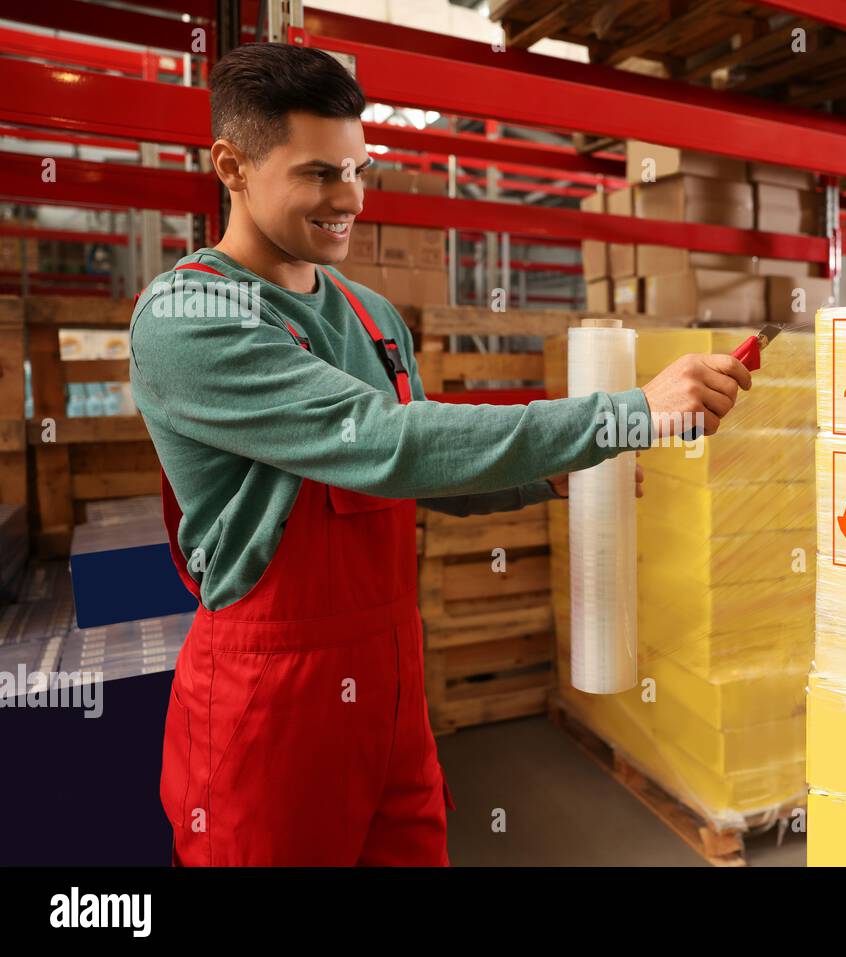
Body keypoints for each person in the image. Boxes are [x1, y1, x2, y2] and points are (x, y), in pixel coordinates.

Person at [129, 42, 751, 866]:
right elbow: (383, 439)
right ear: (232, 166)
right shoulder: (189, 319)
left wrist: (546, 476)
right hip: (271, 702)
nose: (349, 197)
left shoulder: (370, 311)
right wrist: (627, 412)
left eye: (360, 170)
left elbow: (418, 468)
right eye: (320, 174)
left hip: (390, 685)